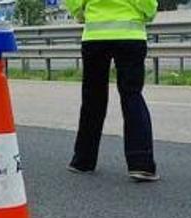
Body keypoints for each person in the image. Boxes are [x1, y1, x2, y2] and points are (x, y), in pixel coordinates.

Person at [66, 0, 159, 182]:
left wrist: (79, 12)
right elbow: (147, 3)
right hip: (130, 35)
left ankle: (83, 160)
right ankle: (141, 164)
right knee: (131, 95)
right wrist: (148, 13)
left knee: (93, 98)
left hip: (95, 36)